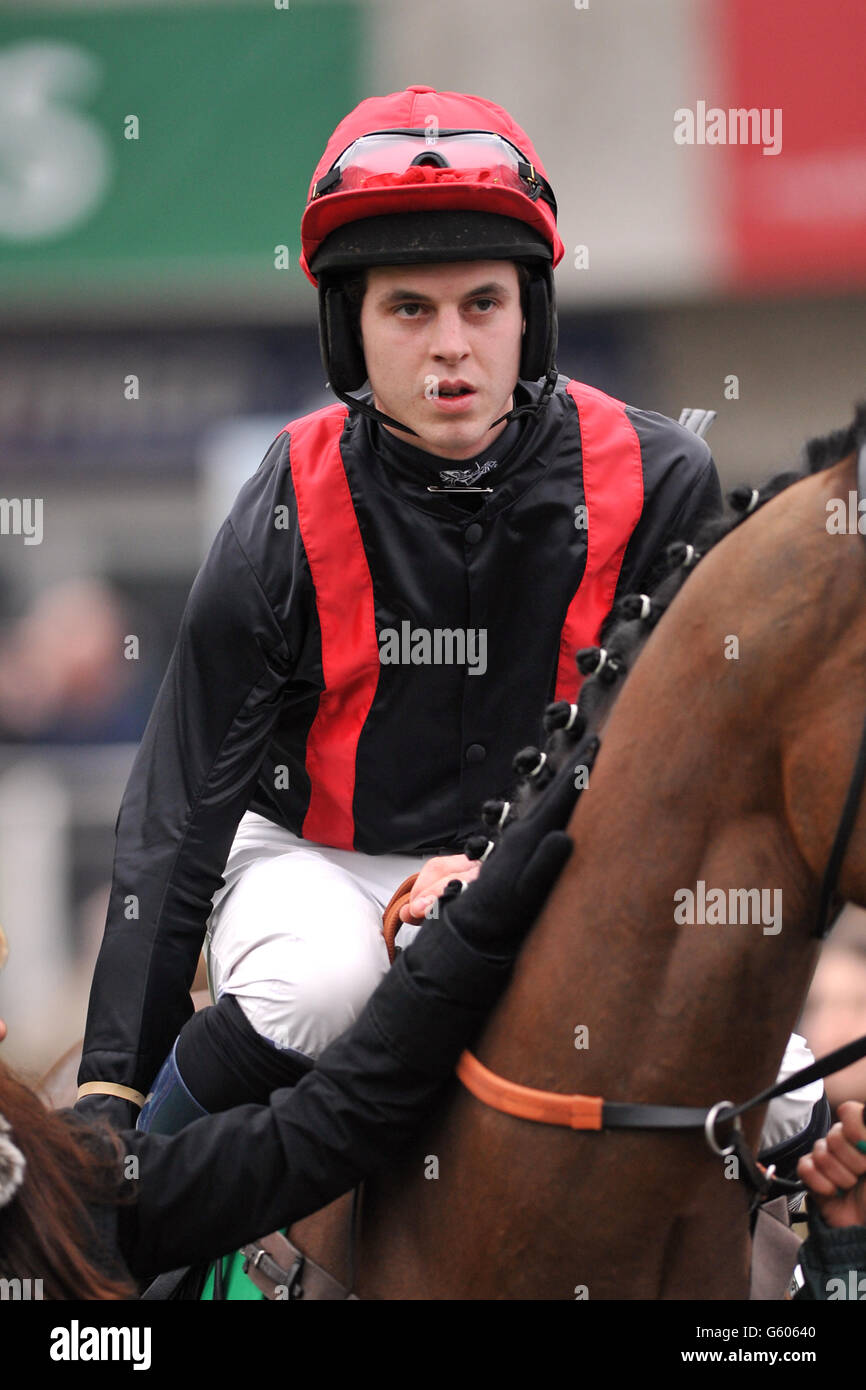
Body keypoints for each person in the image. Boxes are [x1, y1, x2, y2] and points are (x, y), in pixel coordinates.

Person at [75, 85, 723, 1139]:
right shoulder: (284, 499)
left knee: (778, 1074)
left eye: (481, 303)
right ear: (350, 330)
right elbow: (176, 814)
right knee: (321, 988)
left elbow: (678, 764)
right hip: (316, 859)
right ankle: (144, 1210)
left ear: (532, 315)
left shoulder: (663, 482)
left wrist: (504, 862)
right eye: (407, 309)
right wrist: (112, 1091)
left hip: (562, 852)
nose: (451, 346)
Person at [0, 753, 576, 1294]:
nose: (3, 1031)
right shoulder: (44, 1192)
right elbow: (317, 1134)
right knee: (321, 990)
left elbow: (306, 1140)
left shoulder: (43, 1181)